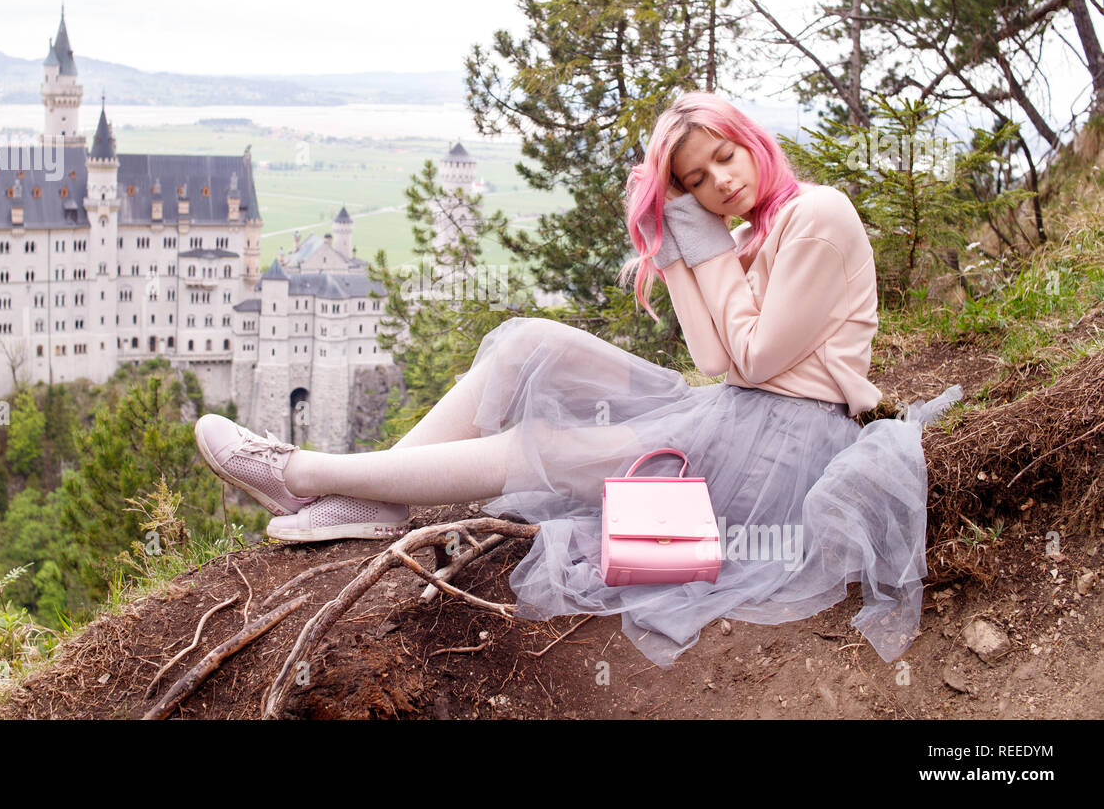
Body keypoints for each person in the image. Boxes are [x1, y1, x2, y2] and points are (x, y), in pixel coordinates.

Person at [194, 91, 962, 667]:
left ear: (751, 141)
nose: (720, 181)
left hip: (784, 445)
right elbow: (716, 360)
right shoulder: (751, 232)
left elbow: (755, 361)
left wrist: (708, 246)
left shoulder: (816, 215)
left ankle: (299, 471)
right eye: (696, 180)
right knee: (528, 344)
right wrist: (679, 245)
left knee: (554, 445)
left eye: (725, 156)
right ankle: (375, 496)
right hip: (739, 412)